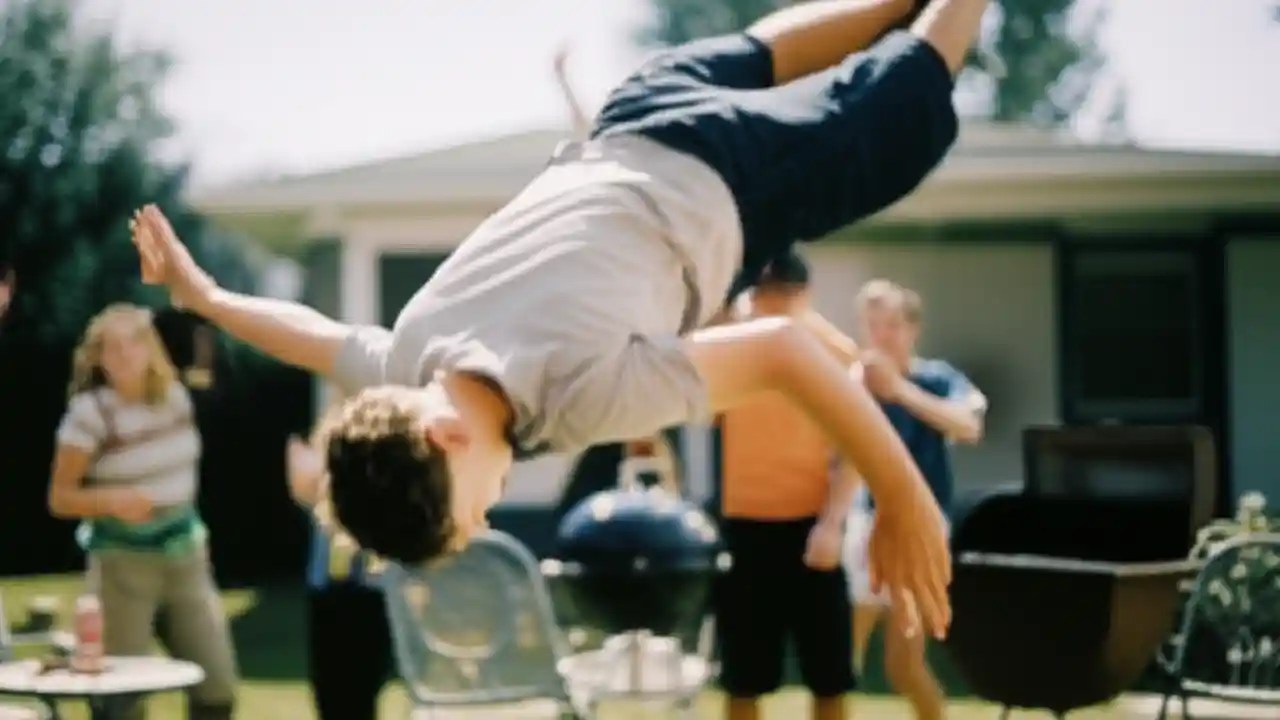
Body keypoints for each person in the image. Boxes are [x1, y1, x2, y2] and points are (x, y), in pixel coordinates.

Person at [130, 0, 993, 639]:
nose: (487, 519)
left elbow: (782, 349)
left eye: (468, 517)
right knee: (771, 51)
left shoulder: (578, 402)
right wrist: (207, 300)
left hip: (729, 181)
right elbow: (314, 337)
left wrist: (904, 496)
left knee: (904, 114)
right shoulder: (406, 376)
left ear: (446, 443)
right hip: (630, 117)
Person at [47, 304, 238, 720]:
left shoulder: (175, 398)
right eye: (110, 347)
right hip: (123, 565)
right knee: (122, 699)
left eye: (133, 342)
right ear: (96, 357)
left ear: (151, 348)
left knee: (217, 686)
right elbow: (59, 498)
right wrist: (112, 501)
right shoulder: (89, 414)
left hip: (186, 556)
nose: (124, 354)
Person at [715, 251, 859, 720]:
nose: (770, 311)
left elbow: (854, 449)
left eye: (782, 300)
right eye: (764, 298)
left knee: (829, 676)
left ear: (804, 298)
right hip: (745, 525)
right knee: (742, 678)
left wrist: (833, 525)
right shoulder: (731, 341)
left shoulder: (834, 353)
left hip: (812, 527)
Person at [844, 279, 986, 720]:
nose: (881, 335)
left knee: (903, 665)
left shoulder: (938, 379)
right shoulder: (855, 379)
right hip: (866, 524)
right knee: (841, 657)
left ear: (912, 330)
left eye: (891, 325)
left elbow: (969, 426)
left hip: (923, 528)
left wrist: (899, 390)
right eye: (873, 325)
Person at [285, 430, 392, 720]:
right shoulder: (324, 440)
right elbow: (305, 489)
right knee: (331, 693)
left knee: (363, 691)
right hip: (327, 587)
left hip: (370, 586)